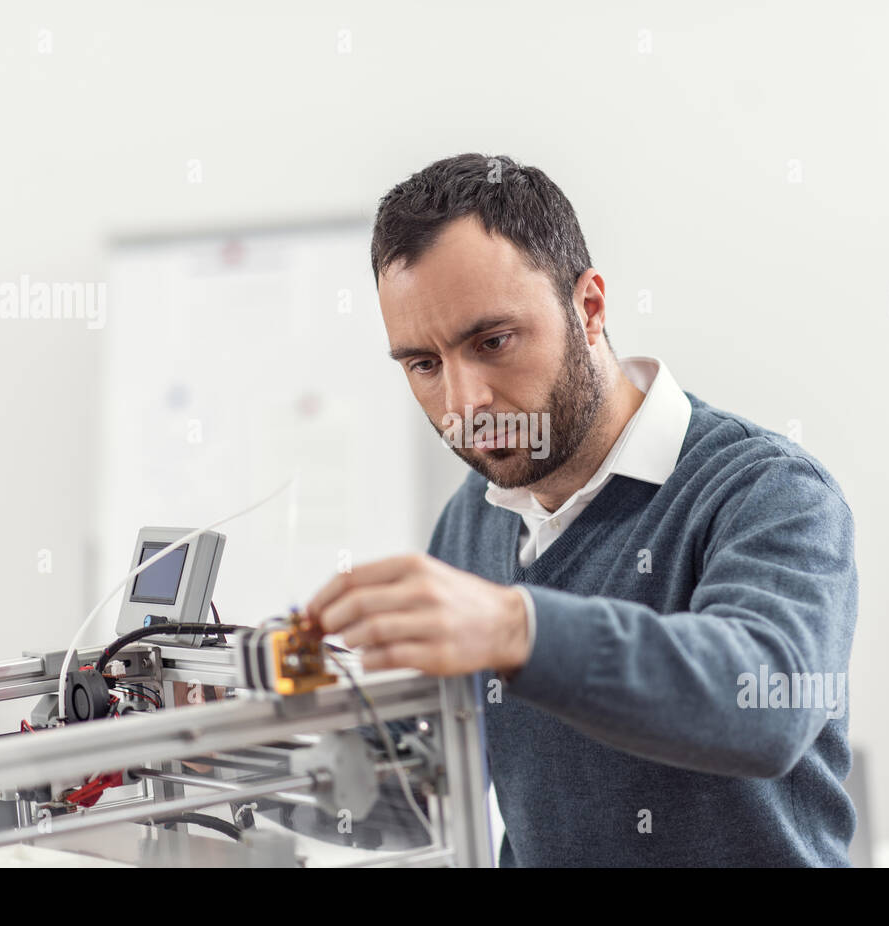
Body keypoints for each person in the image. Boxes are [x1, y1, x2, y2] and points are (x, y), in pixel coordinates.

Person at [305, 153, 859, 867]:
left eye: (493, 341)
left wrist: (515, 628)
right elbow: (422, 792)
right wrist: (237, 745)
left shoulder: (765, 491)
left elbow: (769, 705)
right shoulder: (473, 520)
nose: (463, 402)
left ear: (590, 308)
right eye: (424, 364)